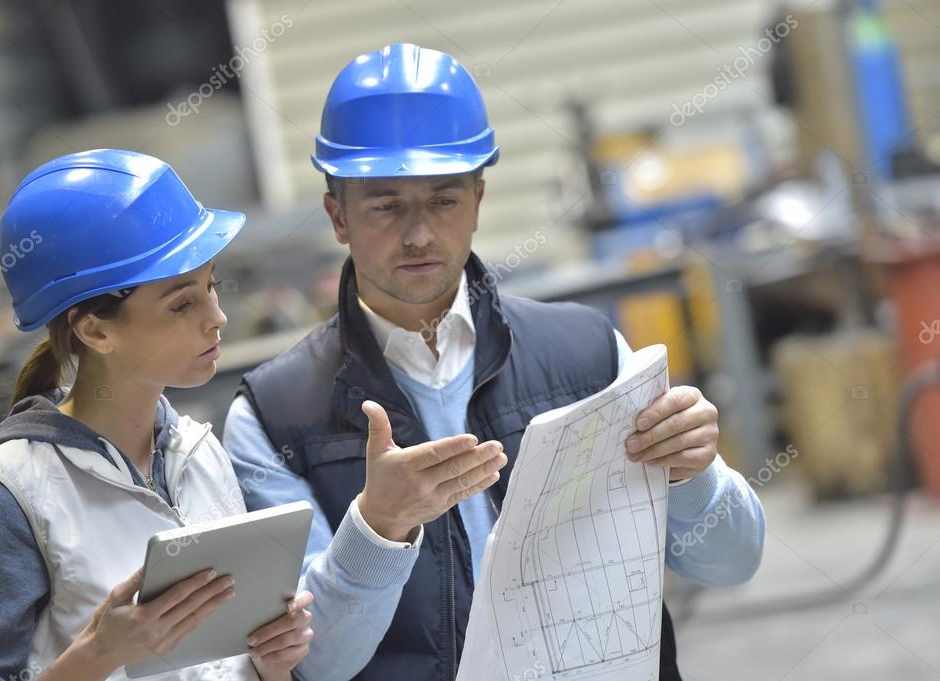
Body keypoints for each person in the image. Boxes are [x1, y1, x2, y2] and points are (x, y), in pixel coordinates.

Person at [222, 43, 766, 681]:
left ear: (479, 200)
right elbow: (313, 665)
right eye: (386, 206)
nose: (419, 232)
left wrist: (693, 474)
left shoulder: (592, 355)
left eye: (444, 200)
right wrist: (378, 528)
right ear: (337, 216)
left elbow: (732, 564)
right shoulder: (273, 417)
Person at [0, 150, 314, 681]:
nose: (218, 318)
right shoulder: (5, 497)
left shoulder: (199, 451)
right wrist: (99, 654)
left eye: (212, 287)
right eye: (182, 304)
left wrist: (270, 663)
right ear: (95, 330)